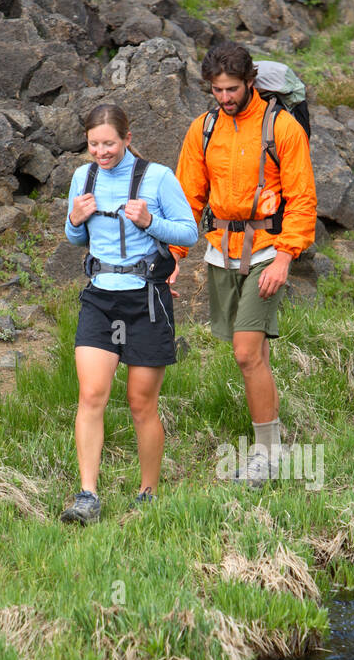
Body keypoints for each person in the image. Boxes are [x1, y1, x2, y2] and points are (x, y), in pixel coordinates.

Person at [170, 43, 317, 484]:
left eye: (232, 89)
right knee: (256, 355)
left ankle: (267, 459)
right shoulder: (204, 128)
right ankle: (275, 447)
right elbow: (187, 197)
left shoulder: (283, 128)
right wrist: (174, 256)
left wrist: (286, 258)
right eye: (217, 90)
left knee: (246, 352)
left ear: (251, 81)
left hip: (268, 251)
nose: (225, 97)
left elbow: (303, 198)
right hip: (220, 251)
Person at [60, 103, 198, 524]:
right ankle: (87, 496)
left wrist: (151, 221)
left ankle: (148, 493)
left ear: (127, 139)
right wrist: (74, 218)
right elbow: (74, 237)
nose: (101, 152)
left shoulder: (157, 178)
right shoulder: (82, 178)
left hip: (147, 300)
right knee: (91, 395)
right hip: (100, 298)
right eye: (93, 145)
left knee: (141, 403)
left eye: (109, 144)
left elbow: (189, 231)